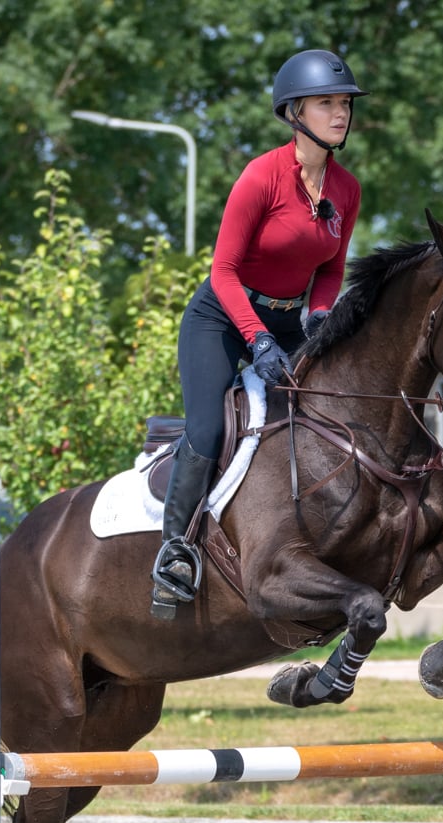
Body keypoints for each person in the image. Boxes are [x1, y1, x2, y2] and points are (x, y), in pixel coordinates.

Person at [149, 48, 365, 618]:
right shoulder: (261, 177)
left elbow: (331, 269)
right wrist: (256, 337)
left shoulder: (347, 189)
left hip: (289, 320)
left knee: (323, 413)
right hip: (222, 316)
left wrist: (319, 316)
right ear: (295, 113)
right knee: (208, 428)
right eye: (326, 103)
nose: (340, 113)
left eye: (345, 104)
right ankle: (174, 553)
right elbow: (223, 271)